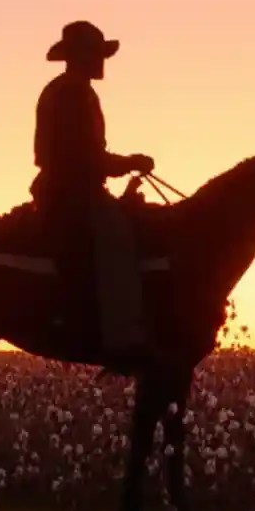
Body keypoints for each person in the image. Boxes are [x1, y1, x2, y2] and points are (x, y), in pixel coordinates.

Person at [31, 20, 155, 364]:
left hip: (71, 186)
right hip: (70, 191)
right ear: (81, 57)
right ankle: (122, 335)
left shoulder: (68, 89)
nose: (102, 62)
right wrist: (128, 162)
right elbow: (84, 157)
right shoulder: (72, 93)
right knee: (118, 232)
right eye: (97, 55)